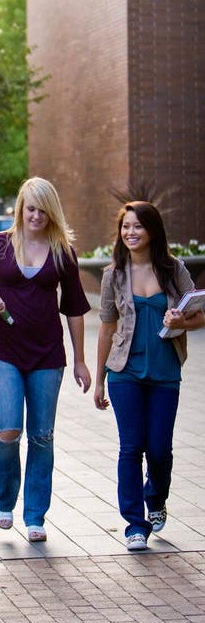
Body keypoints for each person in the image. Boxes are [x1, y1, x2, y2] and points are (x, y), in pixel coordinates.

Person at [0, 176, 91, 543]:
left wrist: (80, 360)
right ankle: (5, 500)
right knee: (8, 430)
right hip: (3, 350)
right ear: (21, 208)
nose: (35, 216)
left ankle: (35, 515)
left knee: (42, 436)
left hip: (48, 353)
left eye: (42, 210)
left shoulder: (62, 250)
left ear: (52, 213)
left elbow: (76, 308)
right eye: (30, 208)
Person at [94, 201, 205, 551]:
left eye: (138, 226)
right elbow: (106, 327)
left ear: (152, 230)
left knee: (159, 449)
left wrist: (181, 322)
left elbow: (200, 316)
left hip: (164, 371)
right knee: (131, 447)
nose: (131, 233)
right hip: (124, 371)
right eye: (126, 226)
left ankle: (155, 499)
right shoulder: (114, 273)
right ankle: (134, 525)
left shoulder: (174, 270)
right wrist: (99, 378)